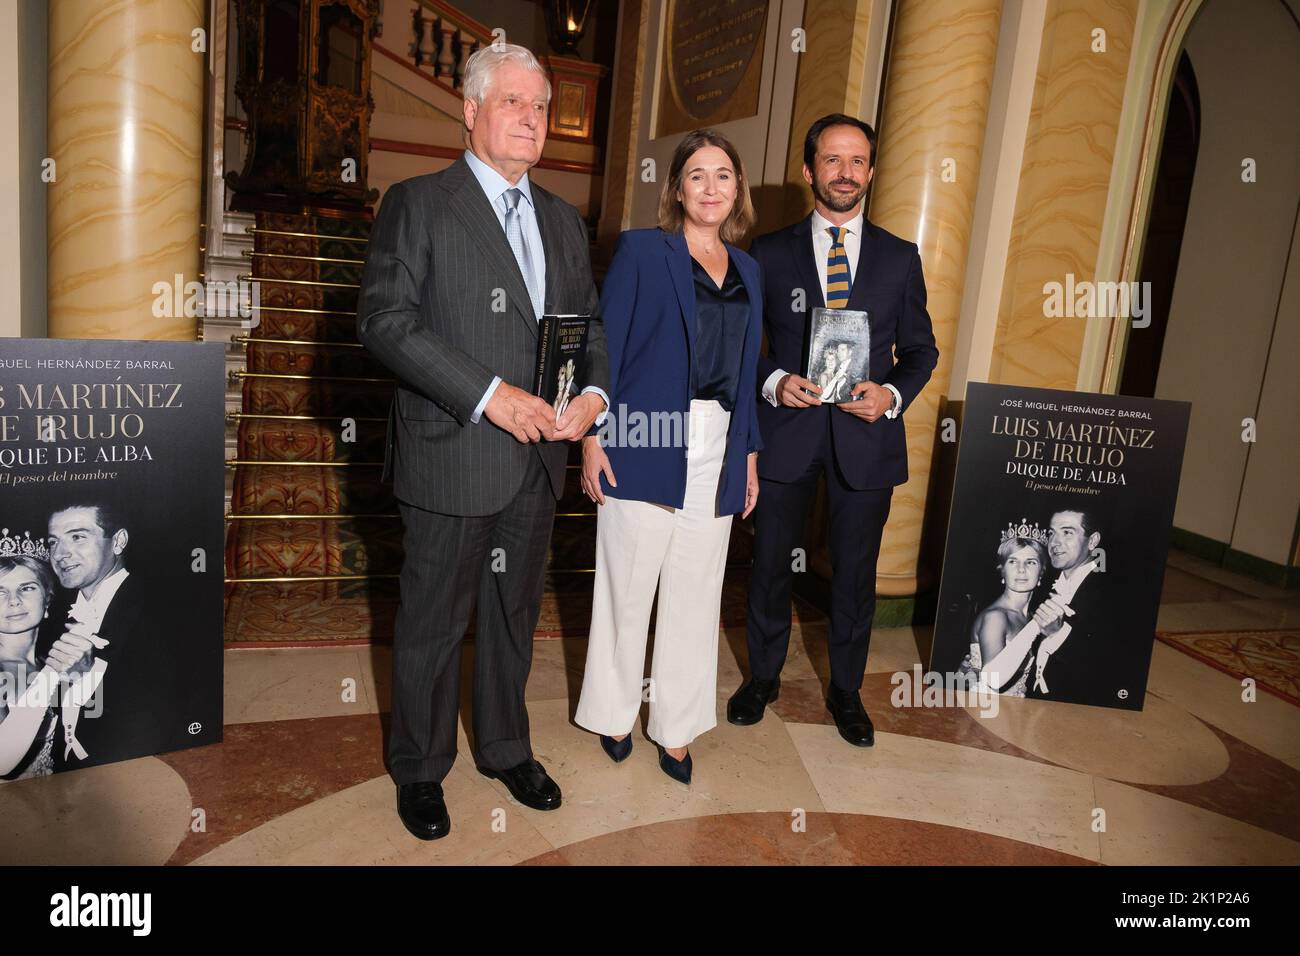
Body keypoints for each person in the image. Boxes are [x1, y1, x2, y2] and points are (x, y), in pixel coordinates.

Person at [357, 42, 609, 840]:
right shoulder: (418, 202)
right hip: (452, 449)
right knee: (432, 622)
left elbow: (589, 330)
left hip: (539, 461)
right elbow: (385, 323)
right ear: (470, 111)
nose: (531, 119)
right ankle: (421, 768)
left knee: (513, 614)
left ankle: (504, 745)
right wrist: (490, 396)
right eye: (513, 103)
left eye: (540, 107)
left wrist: (594, 397)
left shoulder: (566, 221)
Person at [728, 113, 938, 746]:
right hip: (788, 432)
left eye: (857, 162)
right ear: (808, 170)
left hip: (866, 439)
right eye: (832, 160)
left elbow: (922, 351)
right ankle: (761, 677)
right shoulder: (768, 253)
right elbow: (740, 348)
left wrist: (892, 394)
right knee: (769, 565)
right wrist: (773, 382)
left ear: (870, 172)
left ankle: (846, 691)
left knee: (855, 572)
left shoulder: (901, 257)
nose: (845, 173)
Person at [574, 129, 763, 785]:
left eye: (723, 175)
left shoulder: (750, 271)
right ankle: (613, 712)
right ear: (677, 189)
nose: (711, 187)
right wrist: (592, 437)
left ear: (737, 188)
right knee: (628, 587)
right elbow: (605, 346)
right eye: (697, 176)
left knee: (695, 594)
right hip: (645, 432)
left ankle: (676, 727)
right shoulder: (641, 251)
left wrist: (750, 455)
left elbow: (745, 372)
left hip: (720, 442)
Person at [32, 504, 184, 771]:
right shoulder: (49, 616)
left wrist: (88, 676)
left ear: (118, 541)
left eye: (77, 536)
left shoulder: (165, 609)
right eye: (53, 542)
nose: (60, 554)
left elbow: (166, 713)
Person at [960, 524, 1049, 698]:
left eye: (1030, 562)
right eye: (1013, 561)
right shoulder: (996, 617)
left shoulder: (1029, 617)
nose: (1021, 569)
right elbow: (993, 678)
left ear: (1041, 573)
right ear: (1002, 570)